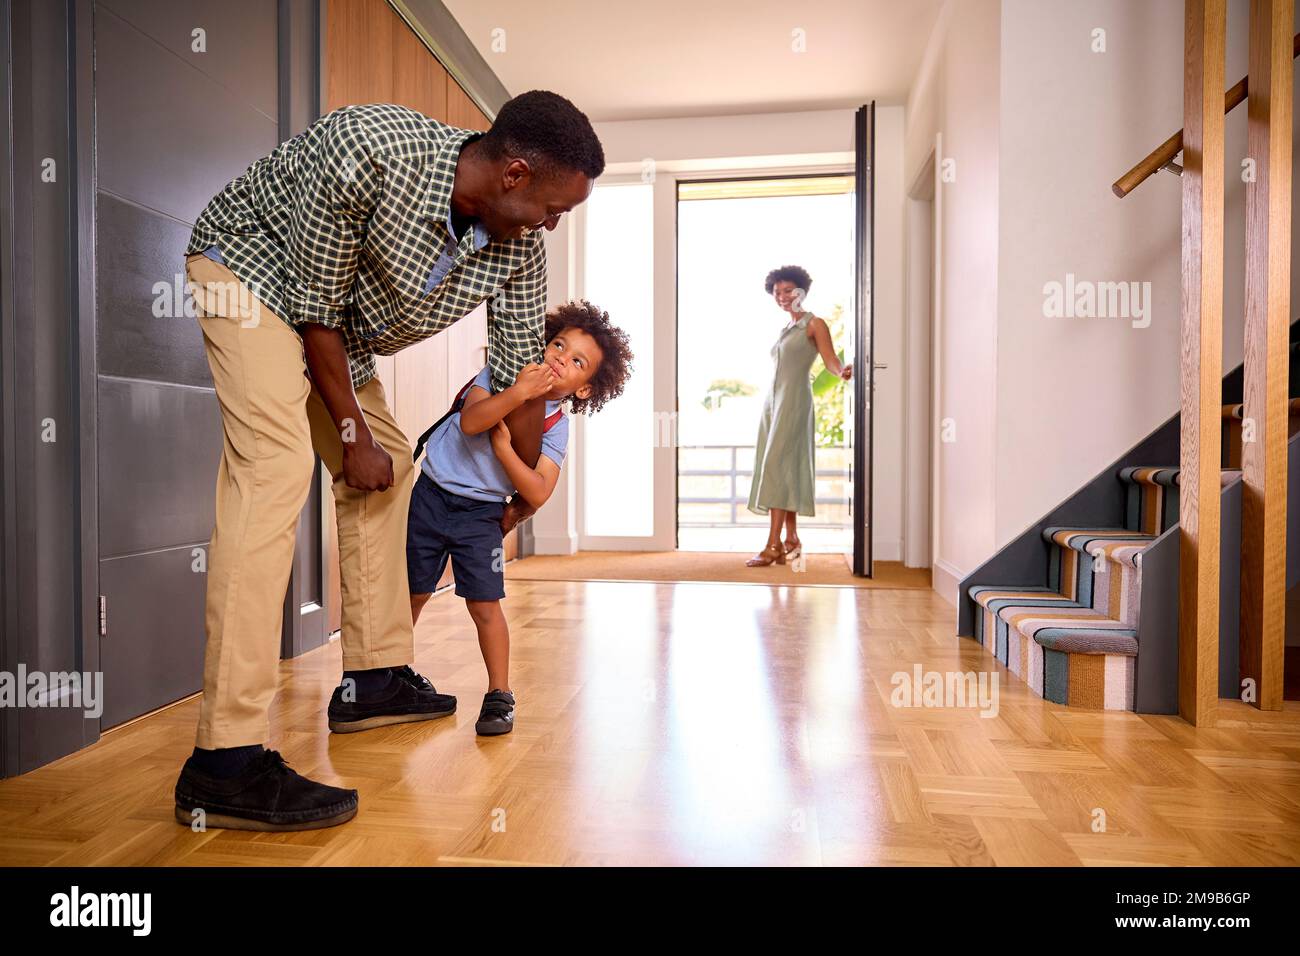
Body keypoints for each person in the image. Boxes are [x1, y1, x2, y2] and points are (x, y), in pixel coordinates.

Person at [173, 91, 605, 832]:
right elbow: (312, 304)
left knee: (391, 464)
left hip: (334, 326)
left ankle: (372, 680)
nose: (551, 225)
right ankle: (224, 760)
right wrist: (348, 434)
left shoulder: (519, 249)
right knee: (276, 468)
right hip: (250, 277)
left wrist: (524, 497)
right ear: (515, 174)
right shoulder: (373, 148)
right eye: (554, 207)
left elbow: (517, 380)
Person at [402, 302, 633, 736]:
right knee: (413, 592)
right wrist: (517, 393)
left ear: (584, 389)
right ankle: (389, 671)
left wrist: (506, 451)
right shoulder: (499, 376)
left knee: (485, 605)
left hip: (482, 513)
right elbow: (472, 422)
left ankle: (499, 695)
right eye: (559, 345)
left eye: (577, 361)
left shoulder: (556, 427)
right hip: (431, 495)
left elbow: (539, 491)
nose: (561, 358)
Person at [746, 265, 852, 567]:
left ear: (802, 292)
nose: (782, 296)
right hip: (773, 403)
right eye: (777, 292)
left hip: (795, 402)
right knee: (784, 466)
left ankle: (772, 546)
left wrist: (842, 371)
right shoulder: (785, 330)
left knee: (778, 465)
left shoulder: (813, 324)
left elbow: (830, 359)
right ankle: (791, 539)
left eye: (788, 290)